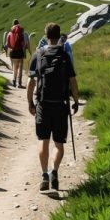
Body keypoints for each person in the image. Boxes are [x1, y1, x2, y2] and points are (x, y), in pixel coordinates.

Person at [26, 22, 80, 192]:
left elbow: (31, 82)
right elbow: (73, 81)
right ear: (59, 35)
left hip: (43, 104)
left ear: (46, 35)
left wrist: (30, 102)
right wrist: (76, 101)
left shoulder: (38, 54)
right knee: (59, 144)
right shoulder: (64, 55)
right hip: (60, 105)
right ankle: (54, 171)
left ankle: (44, 175)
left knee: (43, 141)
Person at [5, 19, 30, 87]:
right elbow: (23, 44)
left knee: (14, 67)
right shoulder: (21, 33)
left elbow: (7, 44)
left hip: (12, 52)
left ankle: (14, 80)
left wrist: (11, 49)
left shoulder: (9, 33)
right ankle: (19, 83)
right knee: (20, 67)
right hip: (20, 52)